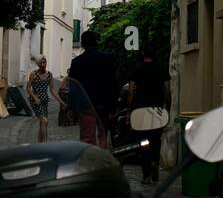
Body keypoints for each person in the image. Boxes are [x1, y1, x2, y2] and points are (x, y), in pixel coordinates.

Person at [128, 44, 171, 183]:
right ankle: (154, 161)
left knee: (143, 140)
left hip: (140, 109)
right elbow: (167, 90)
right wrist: (164, 105)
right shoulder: (161, 69)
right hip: (156, 108)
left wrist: (129, 110)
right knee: (156, 138)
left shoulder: (137, 69)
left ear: (143, 54)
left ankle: (146, 172)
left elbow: (131, 91)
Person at [68, 30, 118, 149]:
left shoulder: (76, 62)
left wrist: (72, 108)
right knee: (103, 134)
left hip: (85, 104)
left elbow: (73, 87)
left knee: (87, 136)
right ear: (96, 42)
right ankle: (102, 159)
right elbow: (112, 83)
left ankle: (89, 162)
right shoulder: (107, 59)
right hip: (103, 103)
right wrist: (113, 106)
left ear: (82, 44)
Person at [26, 56, 62, 142]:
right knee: (45, 121)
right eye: (41, 62)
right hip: (36, 100)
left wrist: (61, 101)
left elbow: (52, 90)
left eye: (44, 62)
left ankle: (39, 145)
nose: (43, 64)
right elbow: (28, 88)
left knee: (43, 123)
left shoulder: (49, 74)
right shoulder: (33, 74)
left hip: (44, 100)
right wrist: (34, 97)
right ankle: (46, 143)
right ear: (38, 64)